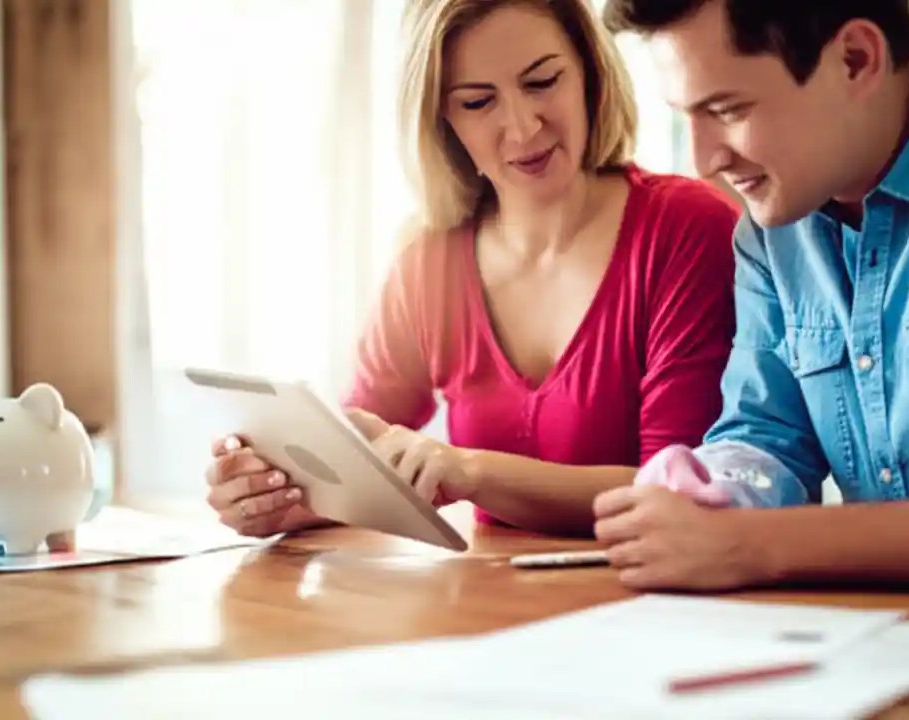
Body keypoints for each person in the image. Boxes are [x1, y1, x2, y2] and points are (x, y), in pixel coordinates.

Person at [593, 0, 909, 590]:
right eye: (687, 116)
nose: (705, 160)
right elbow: (767, 438)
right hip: (880, 646)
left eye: (728, 109)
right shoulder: (770, 229)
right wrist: (711, 490)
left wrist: (759, 544)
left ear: (855, 59)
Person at [205, 0, 740, 538]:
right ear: (442, 120)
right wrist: (276, 498)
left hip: (653, 601)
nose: (523, 126)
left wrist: (469, 471)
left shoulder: (688, 229)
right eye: (479, 102)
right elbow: (358, 465)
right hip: (491, 603)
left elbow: (678, 493)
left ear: (589, 75)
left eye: (543, 81)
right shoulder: (428, 261)